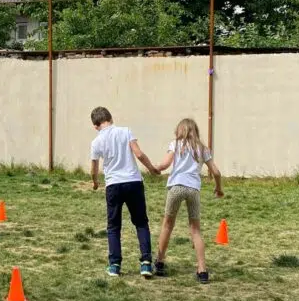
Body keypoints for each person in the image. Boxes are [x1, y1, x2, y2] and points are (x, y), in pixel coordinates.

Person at [90, 106, 159, 279]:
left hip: (113, 184)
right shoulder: (126, 131)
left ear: (96, 125)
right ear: (110, 118)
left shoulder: (96, 141)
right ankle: (146, 263)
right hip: (134, 181)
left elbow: (94, 167)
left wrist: (95, 181)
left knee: (113, 226)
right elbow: (139, 154)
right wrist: (151, 168)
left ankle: (114, 265)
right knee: (141, 222)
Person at [153, 117, 223, 283]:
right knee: (195, 230)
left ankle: (160, 262)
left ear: (180, 131)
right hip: (193, 189)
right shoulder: (203, 149)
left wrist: (153, 168)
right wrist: (218, 188)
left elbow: (164, 164)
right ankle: (202, 270)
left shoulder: (175, 145)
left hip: (176, 187)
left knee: (167, 225)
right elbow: (216, 172)